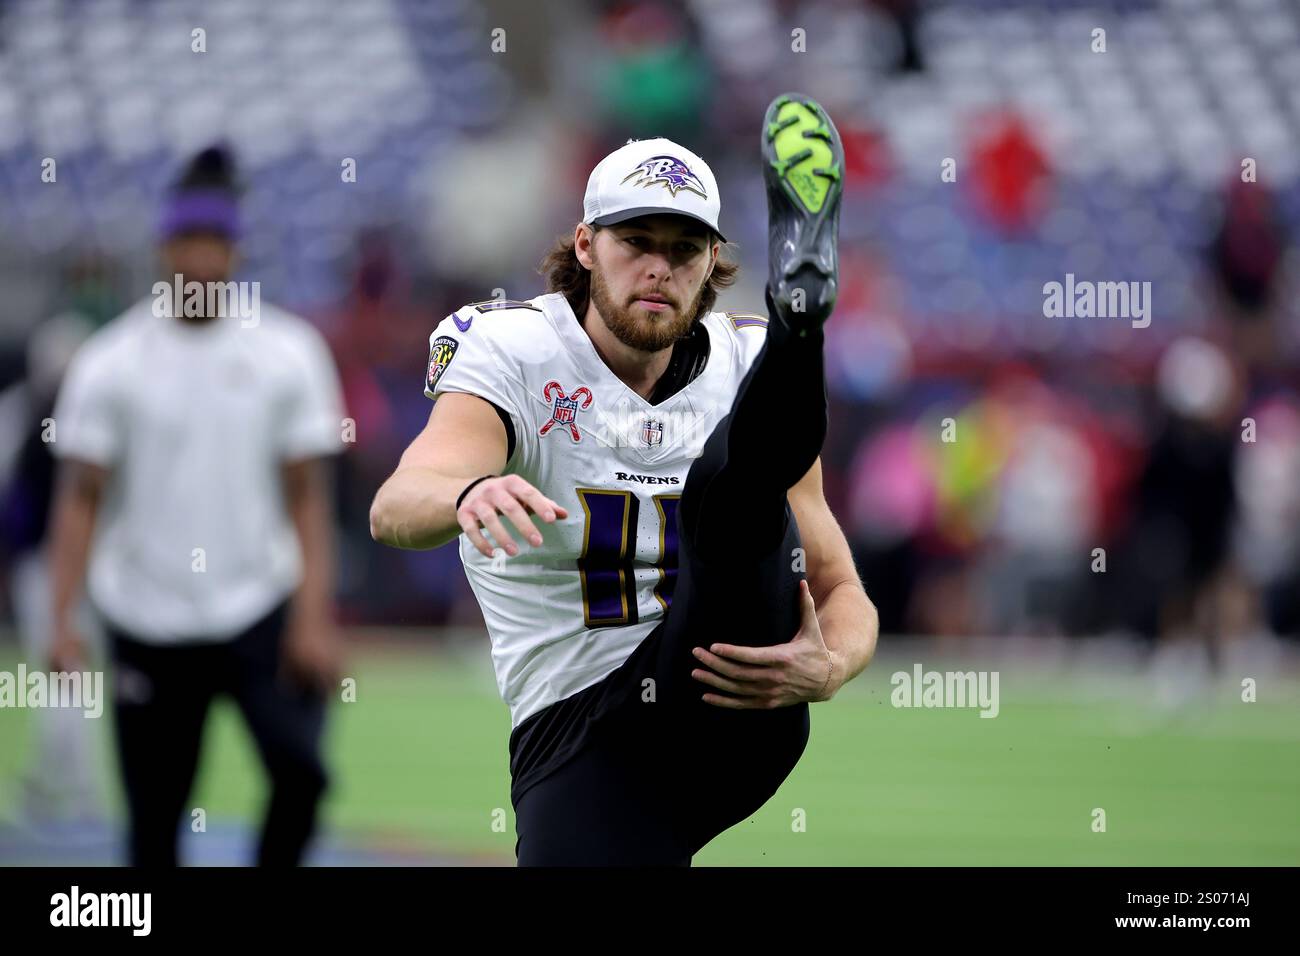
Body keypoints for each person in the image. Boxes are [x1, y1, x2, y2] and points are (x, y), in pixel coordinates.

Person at [371, 94, 878, 865]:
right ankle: (799, 327)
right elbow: (396, 506)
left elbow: (843, 587)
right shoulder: (514, 352)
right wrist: (468, 492)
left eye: (683, 249)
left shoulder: (745, 366)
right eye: (635, 241)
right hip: (581, 729)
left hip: (731, 690)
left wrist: (831, 665)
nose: (658, 267)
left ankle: (799, 321)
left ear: (713, 262)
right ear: (583, 244)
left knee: (733, 484)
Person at [46, 145, 347, 866]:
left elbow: (307, 496)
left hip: (259, 608)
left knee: (301, 773)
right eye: (188, 243)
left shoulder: (288, 352)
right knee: (153, 825)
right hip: (147, 616)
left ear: (236, 251)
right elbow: (80, 500)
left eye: (215, 244)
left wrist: (312, 617)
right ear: (164, 250)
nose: (201, 261)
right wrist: (63, 622)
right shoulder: (110, 361)